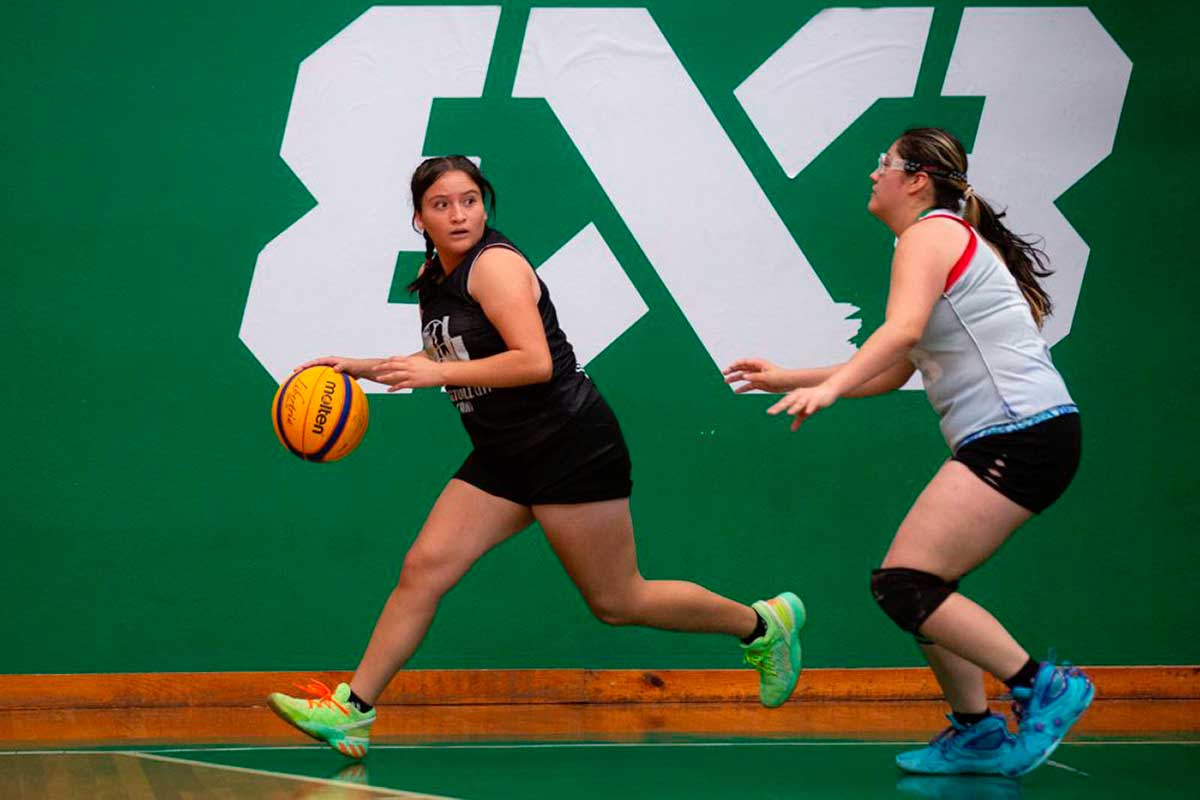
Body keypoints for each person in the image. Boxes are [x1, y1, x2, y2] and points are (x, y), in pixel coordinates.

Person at [267, 156, 806, 758]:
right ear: (419, 218)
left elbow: (534, 362)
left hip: (567, 444)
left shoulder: (494, 267)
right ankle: (353, 709)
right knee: (424, 568)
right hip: (502, 453)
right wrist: (359, 367)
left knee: (618, 601)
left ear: (485, 205)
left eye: (469, 200)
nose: (458, 213)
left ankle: (763, 626)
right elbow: (451, 356)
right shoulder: (435, 274)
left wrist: (436, 372)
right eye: (441, 204)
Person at [724, 128, 1092, 777]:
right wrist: (791, 378)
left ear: (917, 178)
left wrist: (831, 389)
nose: (874, 175)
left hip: (1022, 431)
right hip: (1021, 433)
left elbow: (903, 332)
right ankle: (977, 732)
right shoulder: (930, 239)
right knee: (916, 586)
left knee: (907, 583)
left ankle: (1043, 685)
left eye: (884, 165)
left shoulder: (930, 235)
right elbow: (898, 368)